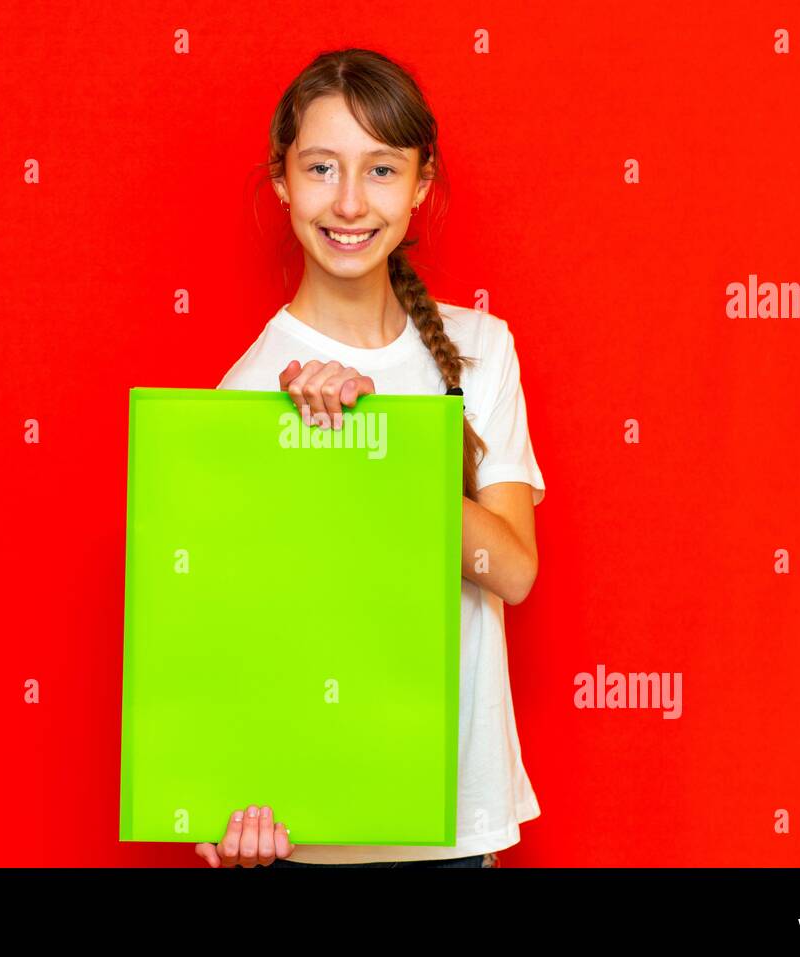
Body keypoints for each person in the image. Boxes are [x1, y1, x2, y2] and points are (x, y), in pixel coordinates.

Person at [197, 48, 544, 869]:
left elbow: (515, 569)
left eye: (382, 169)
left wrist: (378, 449)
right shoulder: (248, 393)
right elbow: (229, 631)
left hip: (458, 826)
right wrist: (212, 800)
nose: (349, 202)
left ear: (421, 184)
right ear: (282, 181)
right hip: (308, 835)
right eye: (320, 167)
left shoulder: (480, 349)